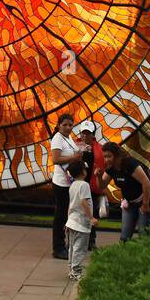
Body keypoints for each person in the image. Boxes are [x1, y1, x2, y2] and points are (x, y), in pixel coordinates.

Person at [97, 142, 150, 241]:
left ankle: (146, 255)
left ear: (116, 155)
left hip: (143, 200)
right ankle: (124, 254)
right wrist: (98, 176)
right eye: (105, 157)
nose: (106, 160)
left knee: (143, 234)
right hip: (129, 203)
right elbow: (102, 186)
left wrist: (145, 204)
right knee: (124, 237)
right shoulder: (111, 168)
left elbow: (146, 182)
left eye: (109, 156)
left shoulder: (129, 164)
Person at [48, 114, 84, 259]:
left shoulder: (67, 138)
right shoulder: (57, 138)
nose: (68, 127)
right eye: (65, 125)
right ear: (58, 125)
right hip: (61, 183)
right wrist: (74, 157)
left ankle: (64, 244)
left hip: (69, 182)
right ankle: (58, 247)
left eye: (70, 125)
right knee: (61, 216)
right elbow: (56, 159)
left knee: (66, 215)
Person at [64, 160, 95, 282]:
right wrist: (91, 218)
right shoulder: (84, 185)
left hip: (72, 221)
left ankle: (71, 268)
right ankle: (76, 271)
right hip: (81, 223)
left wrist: (68, 220)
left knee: (72, 247)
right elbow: (83, 202)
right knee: (80, 248)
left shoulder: (73, 186)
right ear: (83, 171)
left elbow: (71, 205)